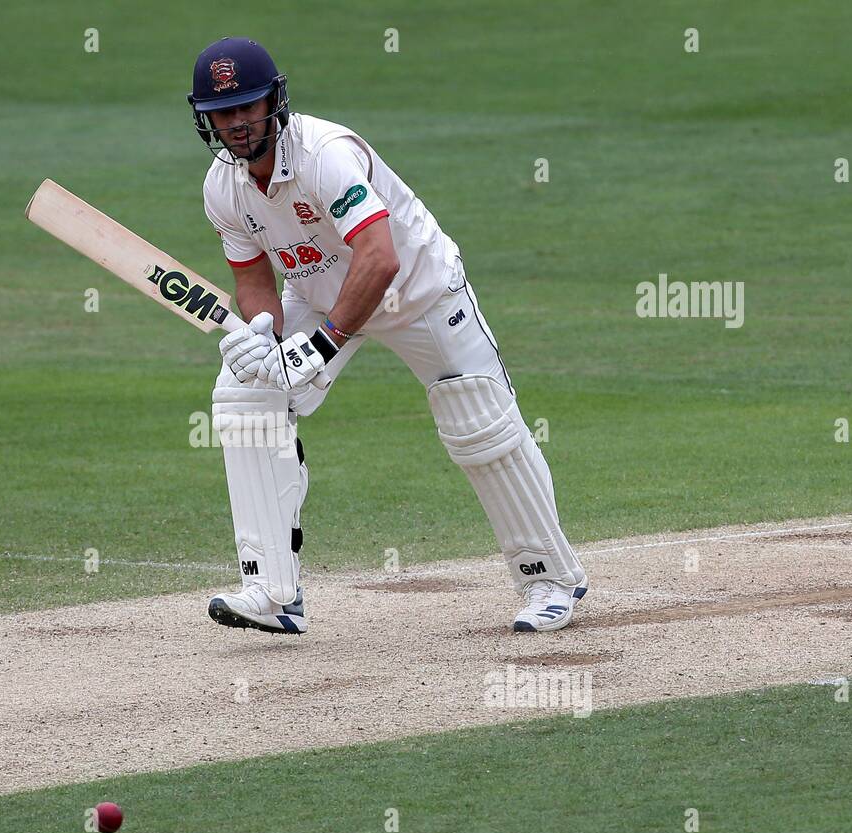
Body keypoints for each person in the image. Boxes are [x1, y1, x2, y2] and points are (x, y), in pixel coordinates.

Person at [189, 37, 587, 635]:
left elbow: (378, 258)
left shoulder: (325, 155)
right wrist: (263, 335)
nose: (239, 123)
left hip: (421, 293)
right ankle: (271, 591)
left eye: (250, 107)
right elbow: (252, 278)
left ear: (275, 101)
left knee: (477, 420)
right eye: (226, 113)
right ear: (207, 120)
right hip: (320, 294)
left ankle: (550, 580)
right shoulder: (223, 187)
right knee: (247, 393)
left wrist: (321, 344)